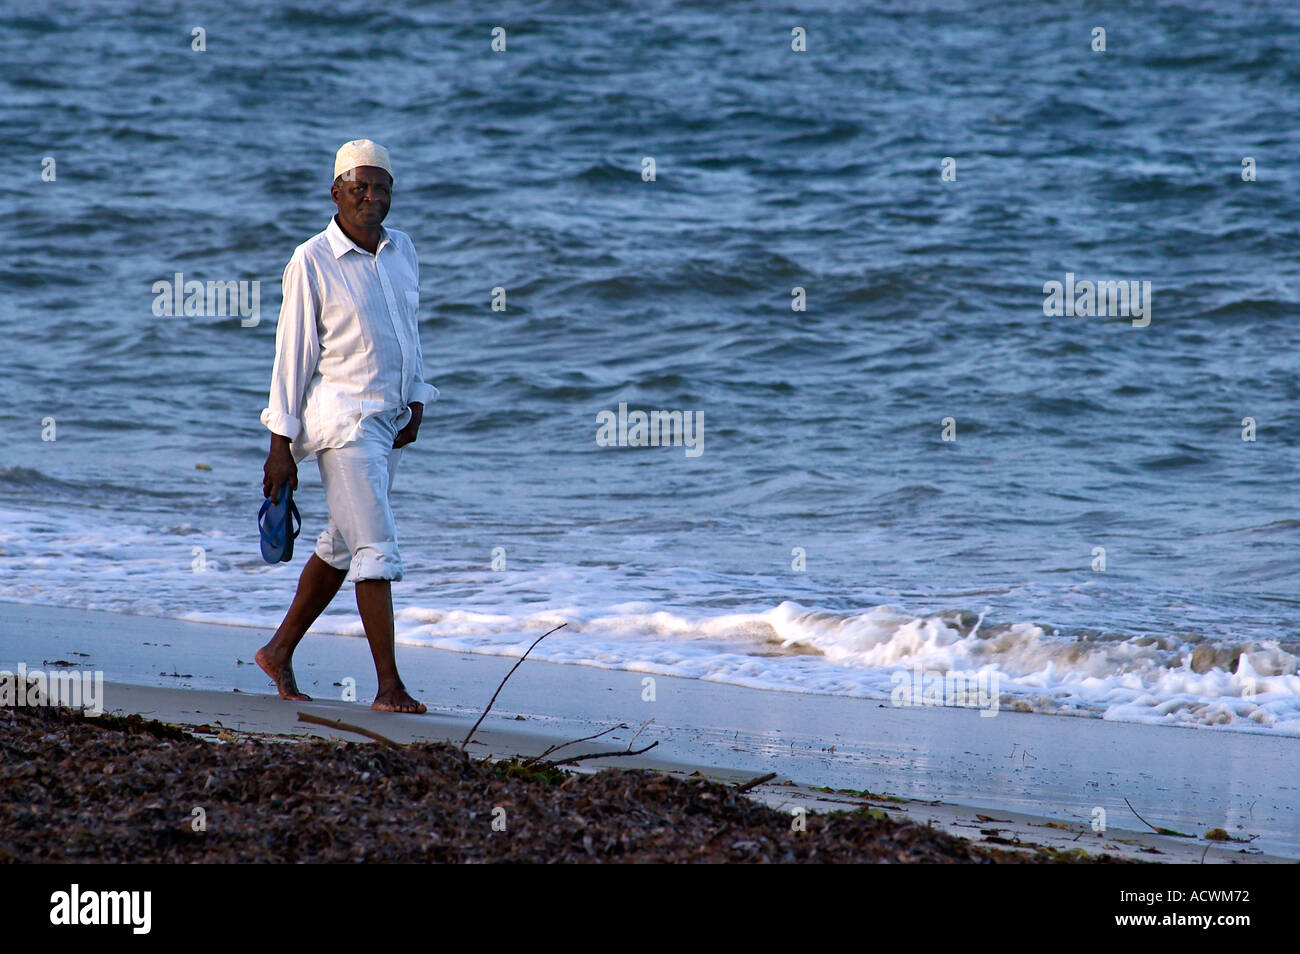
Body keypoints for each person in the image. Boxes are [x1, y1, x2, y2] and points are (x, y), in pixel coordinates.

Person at [255, 139, 435, 713]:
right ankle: (388, 687)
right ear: (335, 192)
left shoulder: (402, 250)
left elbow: (408, 331)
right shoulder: (310, 261)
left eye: (381, 187)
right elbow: (292, 358)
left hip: (388, 423)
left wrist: (418, 398)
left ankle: (278, 650)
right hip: (344, 425)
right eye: (359, 186)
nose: (371, 196)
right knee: (376, 549)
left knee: (339, 544)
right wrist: (279, 447)